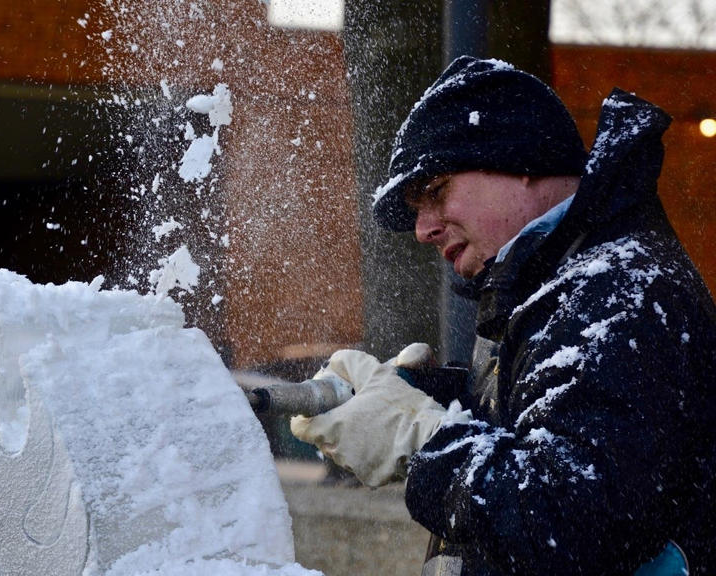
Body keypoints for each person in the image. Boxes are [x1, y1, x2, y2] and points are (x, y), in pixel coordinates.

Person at [290, 56, 716, 575]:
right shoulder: (559, 287)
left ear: (521, 160)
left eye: (436, 192)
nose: (423, 228)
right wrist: (430, 397)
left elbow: (571, 523)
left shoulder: (618, 293)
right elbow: (554, 430)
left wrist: (424, 437)